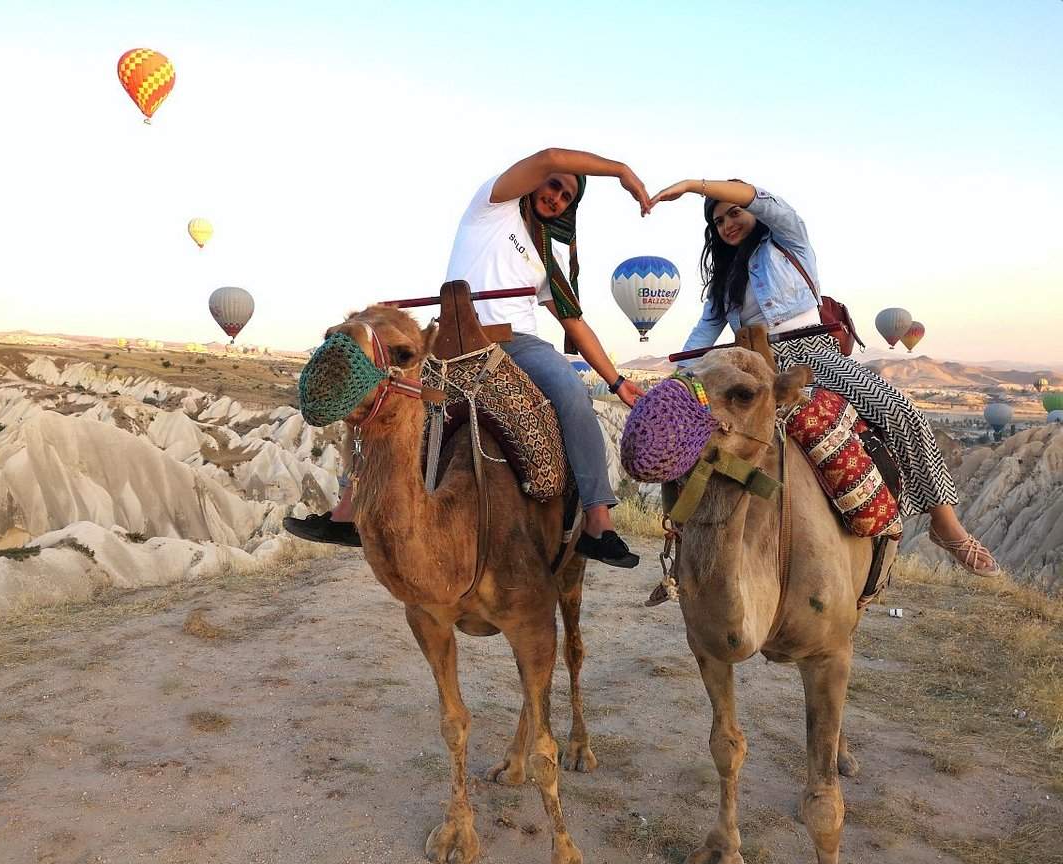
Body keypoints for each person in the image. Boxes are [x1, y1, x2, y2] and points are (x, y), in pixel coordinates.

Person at [286, 148, 651, 568]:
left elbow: (577, 326)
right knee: (380, 395)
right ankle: (348, 510)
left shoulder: (546, 260)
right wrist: (620, 171)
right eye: (555, 185)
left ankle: (597, 520)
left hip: (518, 344)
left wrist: (618, 383)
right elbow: (550, 157)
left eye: (568, 197)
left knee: (572, 394)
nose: (558, 197)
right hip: (452, 341)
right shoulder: (493, 207)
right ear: (536, 182)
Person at [652, 177, 1000, 576]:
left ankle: (945, 524)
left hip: (813, 354)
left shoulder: (788, 240)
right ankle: (686, 538)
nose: (727, 223)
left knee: (899, 410)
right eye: (717, 221)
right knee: (699, 433)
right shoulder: (723, 282)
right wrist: (676, 382)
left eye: (734, 212)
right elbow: (702, 335)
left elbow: (767, 202)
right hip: (755, 361)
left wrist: (696, 187)